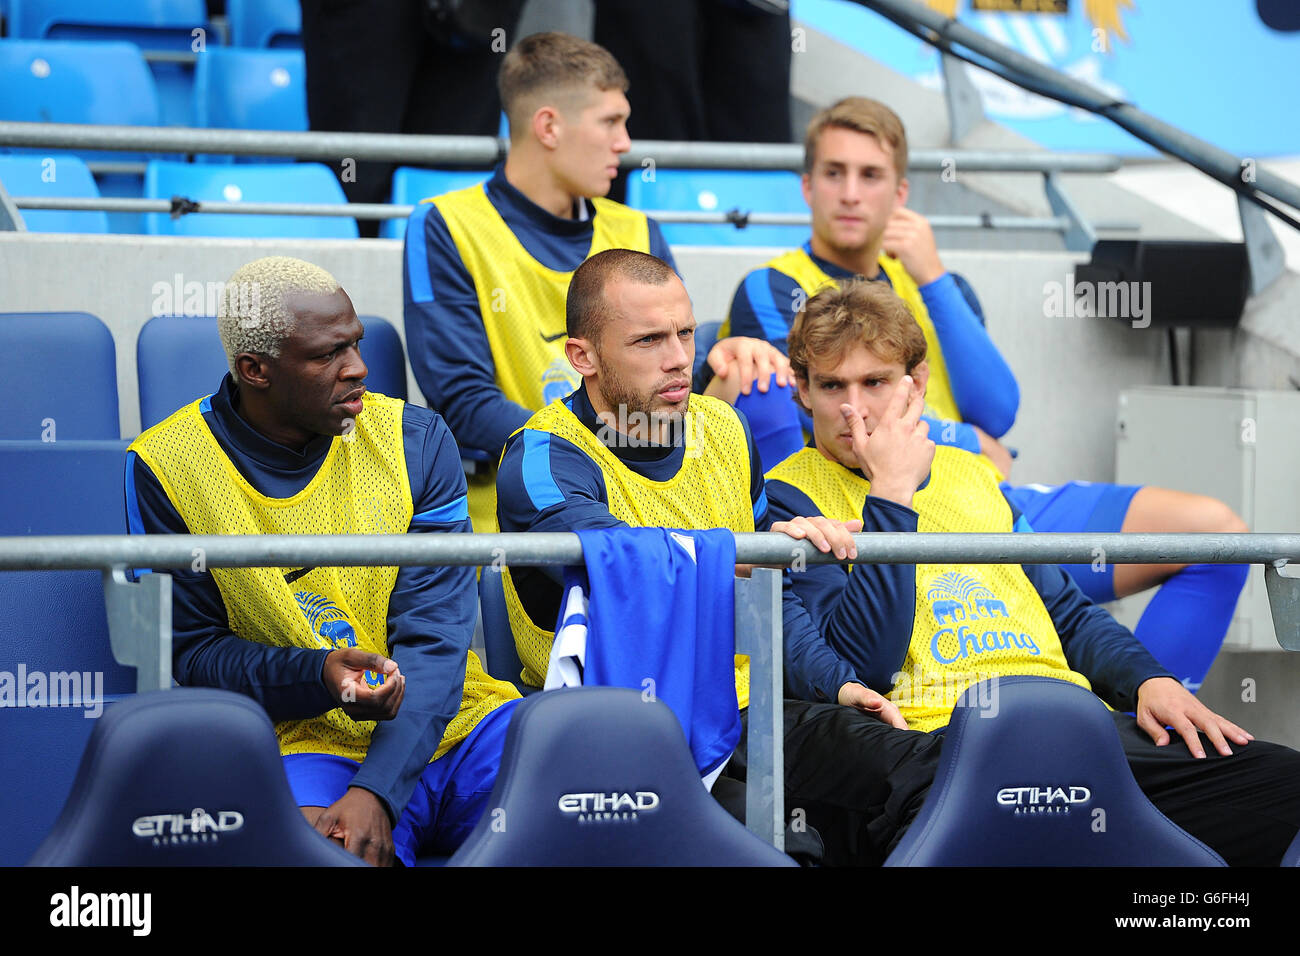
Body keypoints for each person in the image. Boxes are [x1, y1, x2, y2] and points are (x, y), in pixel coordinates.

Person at [763, 278, 1300, 865]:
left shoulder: (971, 476)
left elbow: (1064, 610)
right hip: (943, 741)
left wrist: (1150, 680)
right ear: (803, 391)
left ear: (914, 386)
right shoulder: (790, 496)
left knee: (1285, 785)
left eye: (875, 383)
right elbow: (864, 664)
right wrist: (891, 493)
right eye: (832, 385)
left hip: (1078, 728)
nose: (854, 408)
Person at [725, 95, 1249, 693]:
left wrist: (934, 277)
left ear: (900, 194)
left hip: (978, 492)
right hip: (857, 494)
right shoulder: (774, 285)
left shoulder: (939, 283)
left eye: (870, 176)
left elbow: (999, 409)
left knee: (1221, 538)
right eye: (833, 174)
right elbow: (804, 419)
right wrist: (966, 439)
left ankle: (1147, 723)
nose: (850, 194)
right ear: (807, 187)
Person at [496, 248, 971, 866]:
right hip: (618, 732)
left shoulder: (723, 427)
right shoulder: (539, 455)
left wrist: (838, 683)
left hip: (748, 706)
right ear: (582, 356)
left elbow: (770, 604)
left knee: (934, 772)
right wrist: (746, 557)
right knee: (789, 845)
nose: (676, 359)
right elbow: (609, 560)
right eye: (647, 340)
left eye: (686, 333)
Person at [126, 256, 520, 866]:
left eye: (357, 343)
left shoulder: (417, 439)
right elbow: (192, 652)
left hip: (454, 722)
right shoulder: (165, 467)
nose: (358, 368)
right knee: (328, 853)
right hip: (301, 740)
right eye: (327, 355)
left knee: (577, 793)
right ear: (255, 370)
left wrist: (378, 790)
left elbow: (436, 640)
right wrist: (320, 676)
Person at [403, 31, 789, 533]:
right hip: (525, 512)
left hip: (657, 490)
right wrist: (599, 455)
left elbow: (673, 382)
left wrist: (726, 355)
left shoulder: (636, 228)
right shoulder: (445, 224)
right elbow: (466, 403)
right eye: (610, 122)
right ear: (548, 126)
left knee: (757, 375)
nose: (625, 143)